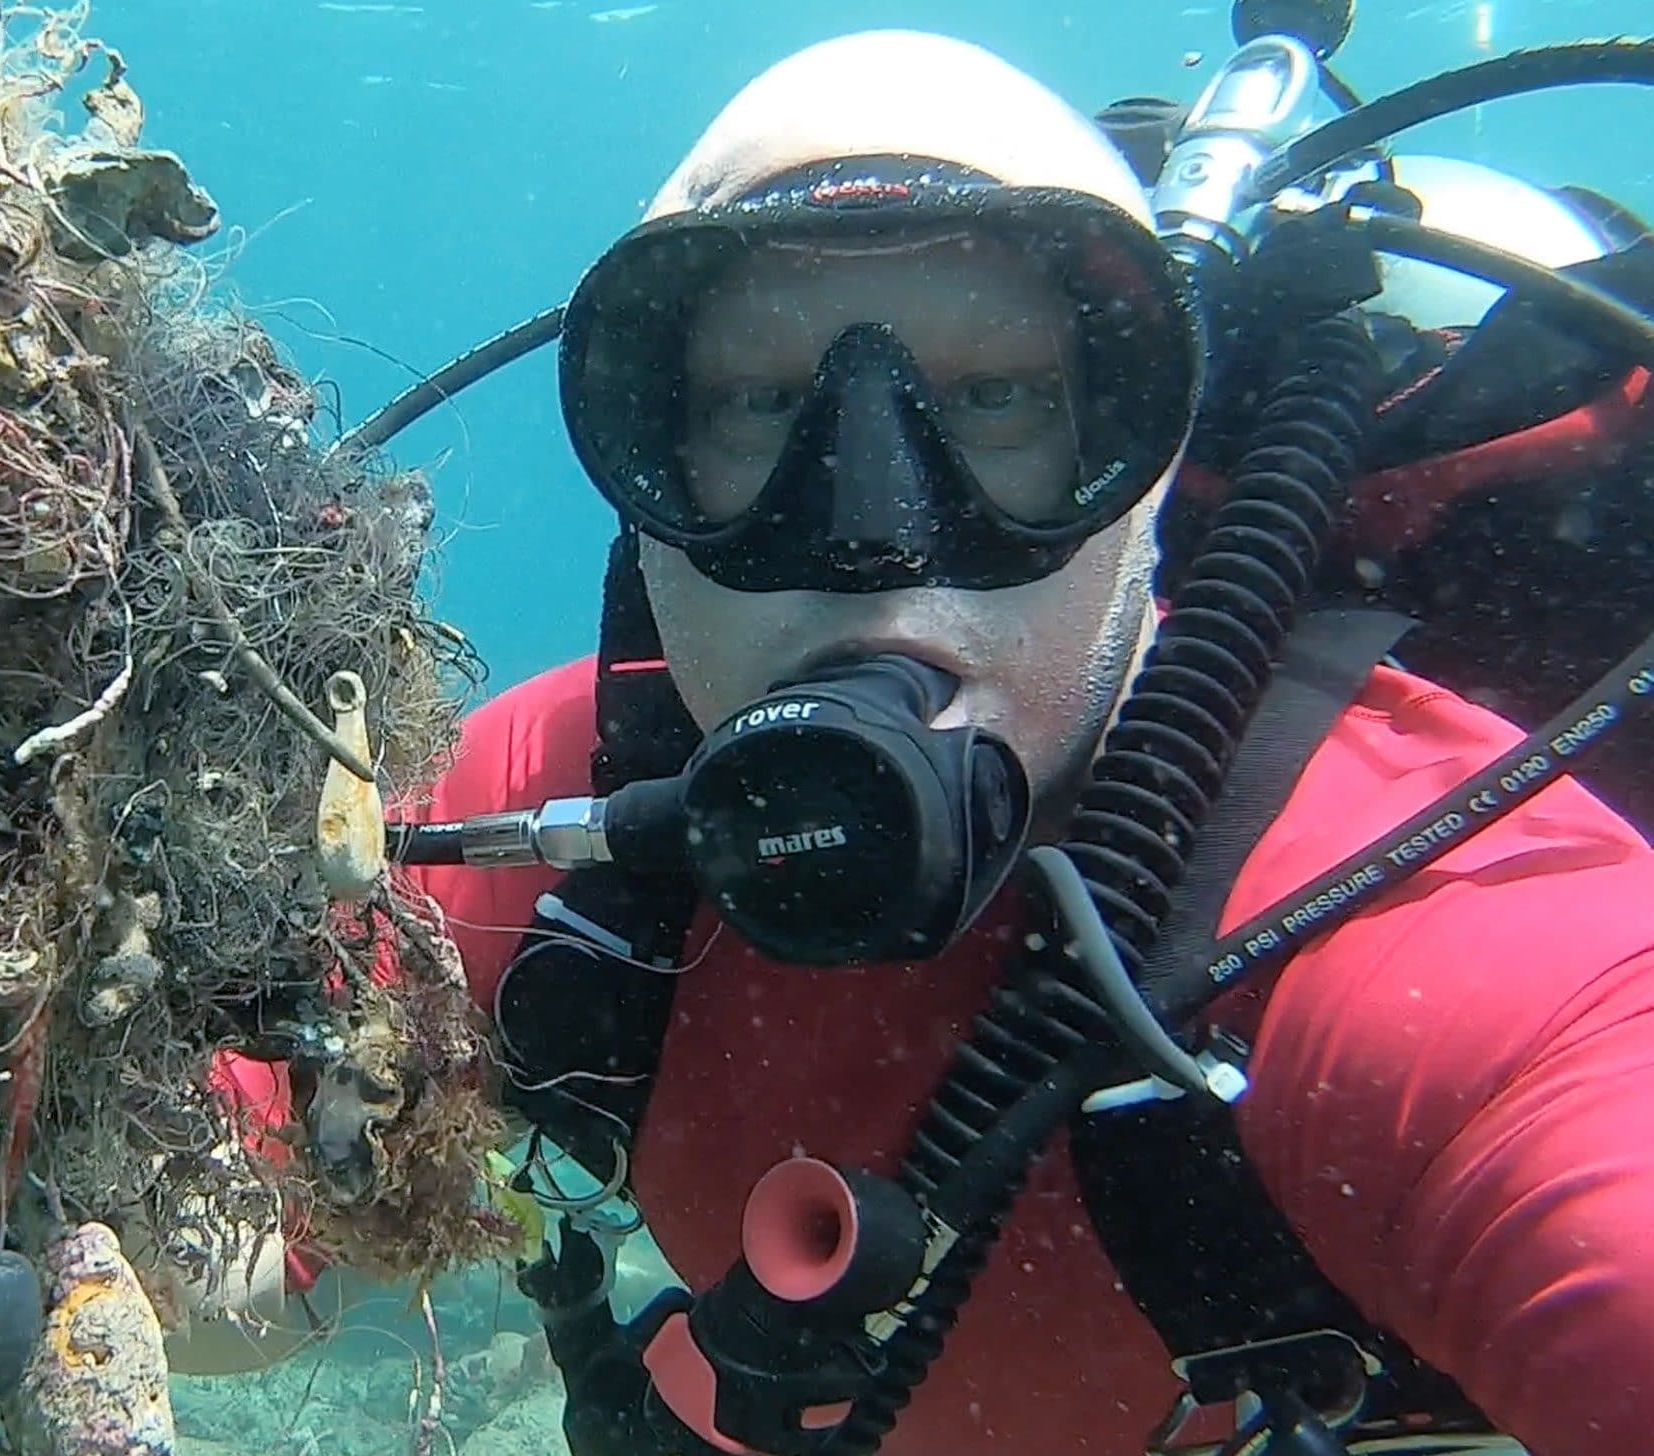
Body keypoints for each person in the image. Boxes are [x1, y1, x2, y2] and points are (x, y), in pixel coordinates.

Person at [184, 26, 1654, 1456]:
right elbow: (207, 1267)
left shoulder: (1429, 931)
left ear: (1143, 471)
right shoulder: (556, 803)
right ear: (647, 475)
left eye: (998, 400)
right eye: (764, 405)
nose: (874, 535)